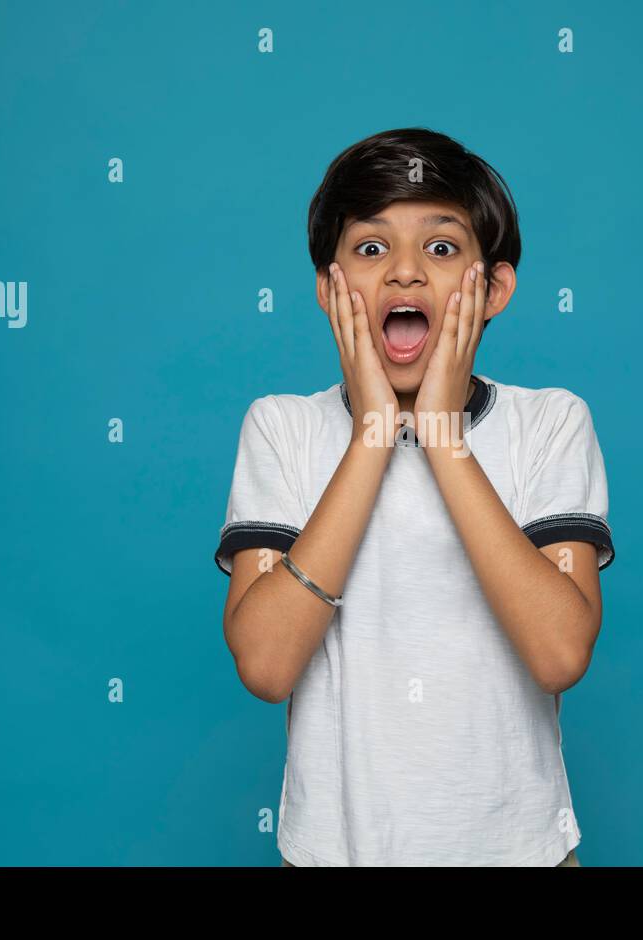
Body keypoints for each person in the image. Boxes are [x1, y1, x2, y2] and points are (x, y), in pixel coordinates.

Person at [214, 128, 614, 866]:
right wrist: (371, 437)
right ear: (329, 288)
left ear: (492, 287)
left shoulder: (551, 423)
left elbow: (560, 651)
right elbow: (266, 666)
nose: (403, 274)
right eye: (370, 249)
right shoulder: (283, 429)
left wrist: (441, 436)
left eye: (440, 247)